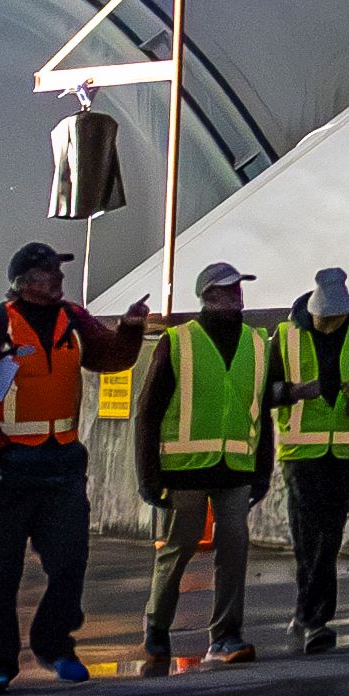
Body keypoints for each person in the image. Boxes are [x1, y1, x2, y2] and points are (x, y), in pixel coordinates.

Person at [0, 241, 147, 696]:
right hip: (6, 470)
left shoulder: (73, 320)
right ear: (24, 283)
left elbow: (112, 357)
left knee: (69, 562)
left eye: (59, 274)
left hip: (61, 461)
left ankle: (55, 645)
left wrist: (131, 328)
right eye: (49, 275)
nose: (59, 281)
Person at [135, 258, 271, 669]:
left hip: (236, 469)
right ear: (208, 297)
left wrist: (262, 470)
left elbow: (261, 410)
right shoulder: (178, 342)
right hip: (186, 469)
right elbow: (148, 412)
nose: (237, 295)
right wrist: (148, 476)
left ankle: (226, 636)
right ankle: (157, 631)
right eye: (229, 290)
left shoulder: (258, 343)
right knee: (178, 549)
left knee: (235, 547)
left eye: (238, 289)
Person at [263, 267, 349, 653]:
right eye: (325, 320)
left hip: (347, 449)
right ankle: (316, 620)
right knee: (309, 535)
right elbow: (267, 392)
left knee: (330, 534)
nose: (331, 326)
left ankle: (307, 614)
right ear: (312, 311)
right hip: (301, 451)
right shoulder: (286, 335)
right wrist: (295, 390)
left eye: (337, 320)